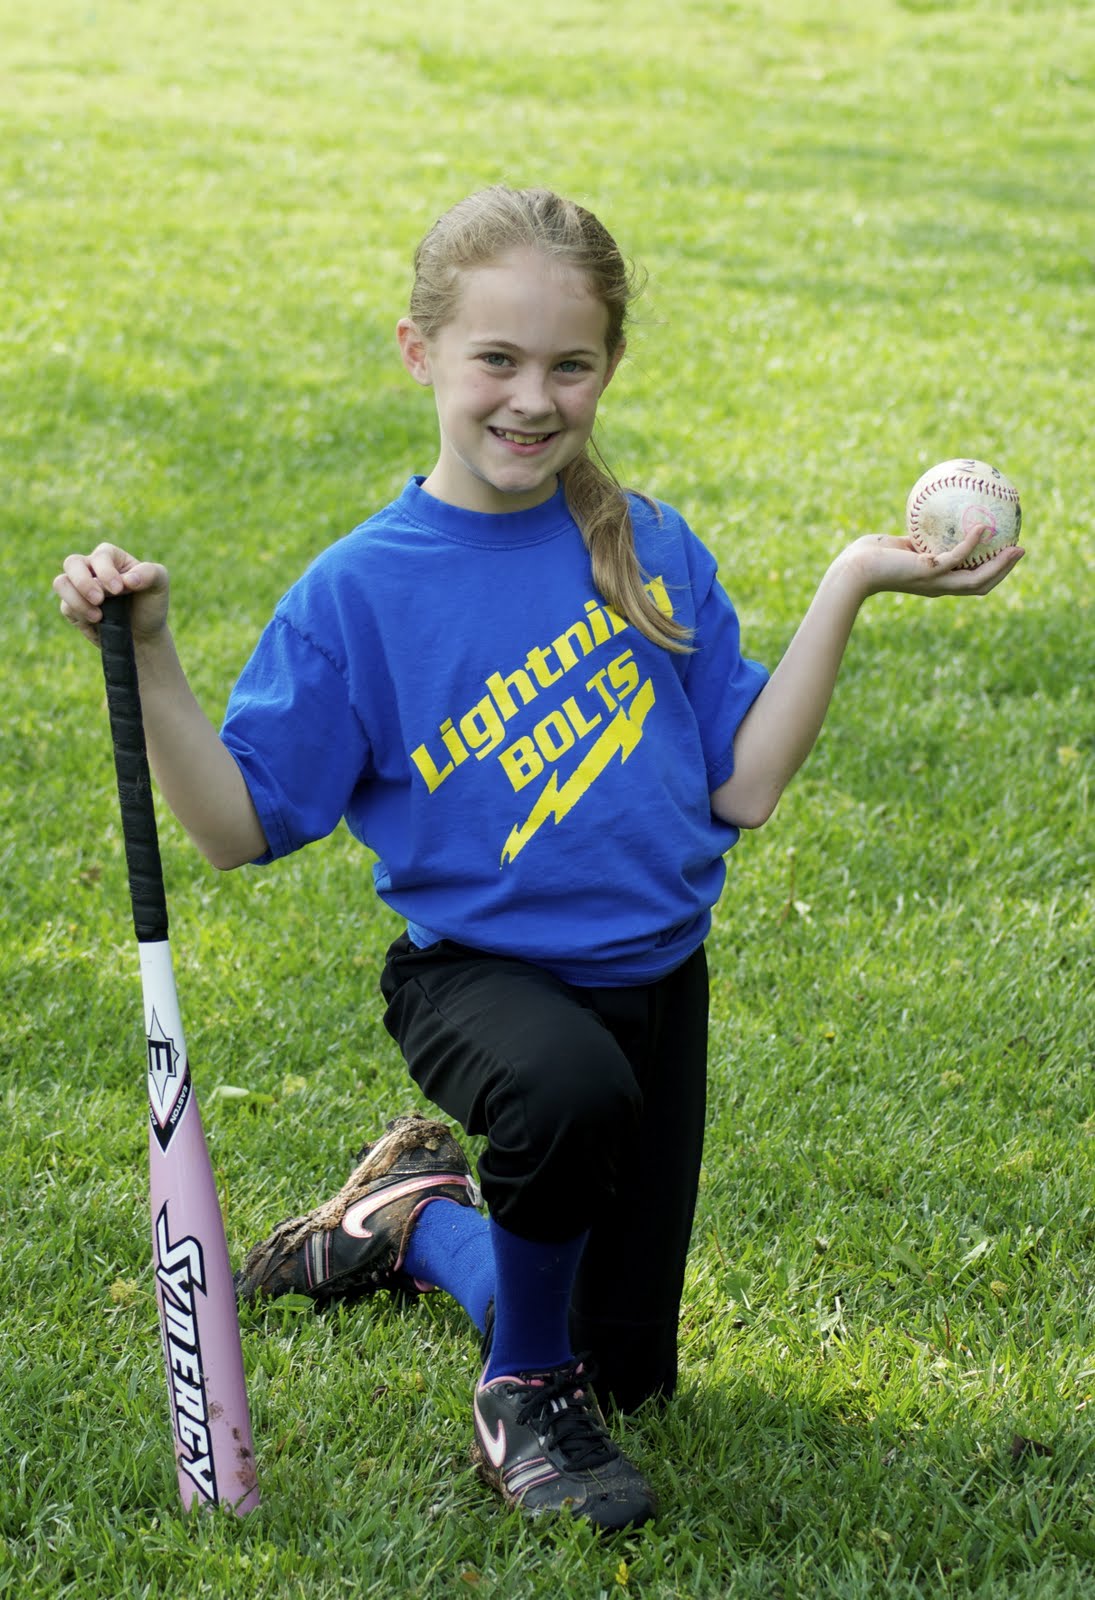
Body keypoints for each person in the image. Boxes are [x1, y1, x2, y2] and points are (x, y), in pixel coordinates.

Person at [53, 185, 1023, 1531]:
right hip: (480, 978)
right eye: (496, 359)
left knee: (623, 1371)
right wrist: (153, 652)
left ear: (608, 367)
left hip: (657, 983)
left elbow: (743, 786)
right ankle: (518, 1396)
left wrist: (851, 580)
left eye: (569, 365)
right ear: (420, 353)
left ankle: (409, 1219)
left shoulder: (650, 546)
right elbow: (234, 829)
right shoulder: (361, 593)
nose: (531, 397)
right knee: (563, 1113)